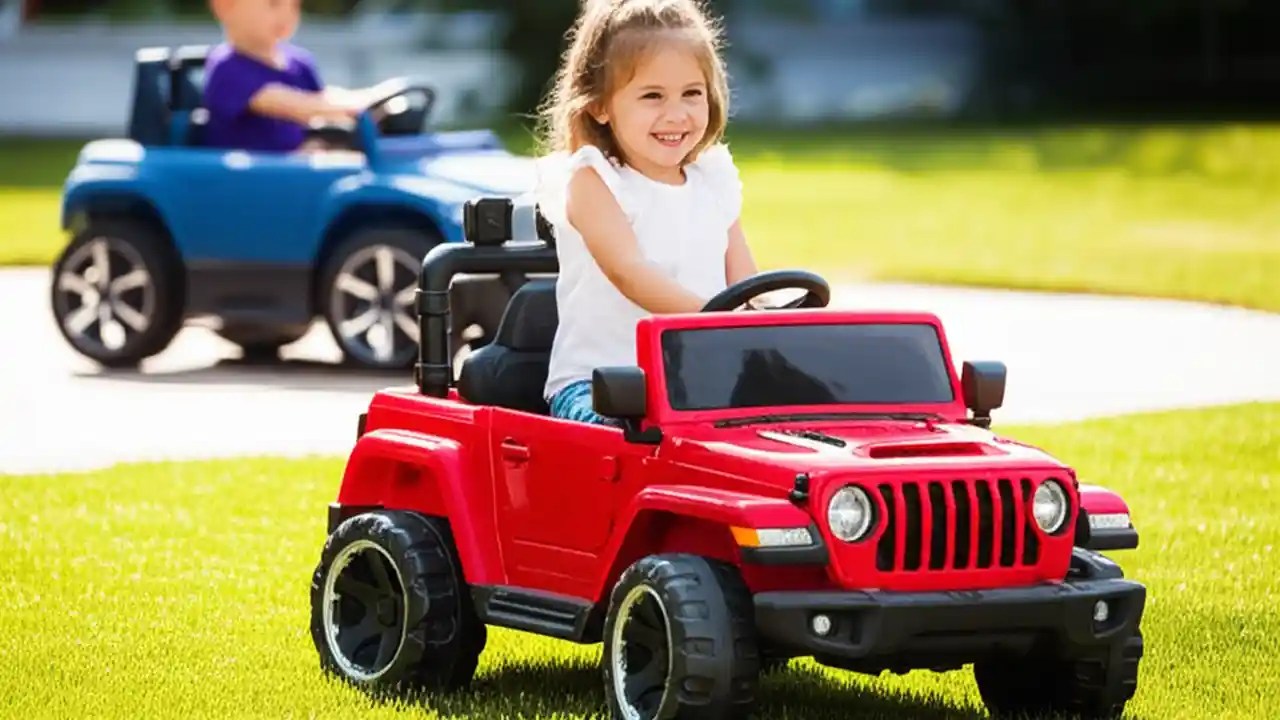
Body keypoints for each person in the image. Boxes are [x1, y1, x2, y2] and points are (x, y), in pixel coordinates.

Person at [535, 0, 758, 426]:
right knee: (646, 440)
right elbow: (629, 272)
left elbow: (747, 285)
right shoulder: (594, 181)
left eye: (692, 93)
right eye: (652, 96)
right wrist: (718, 323)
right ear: (600, 105)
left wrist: (774, 329)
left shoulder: (713, 179)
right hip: (602, 385)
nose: (676, 114)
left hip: (701, 379)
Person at [201, 0, 378, 153]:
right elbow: (300, 106)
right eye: (273, 3)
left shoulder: (301, 63)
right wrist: (362, 102)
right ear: (225, 5)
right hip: (252, 179)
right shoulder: (227, 69)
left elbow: (323, 101)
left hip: (295, 168)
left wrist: (376, 101)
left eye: (294, 5)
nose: (286, 14)